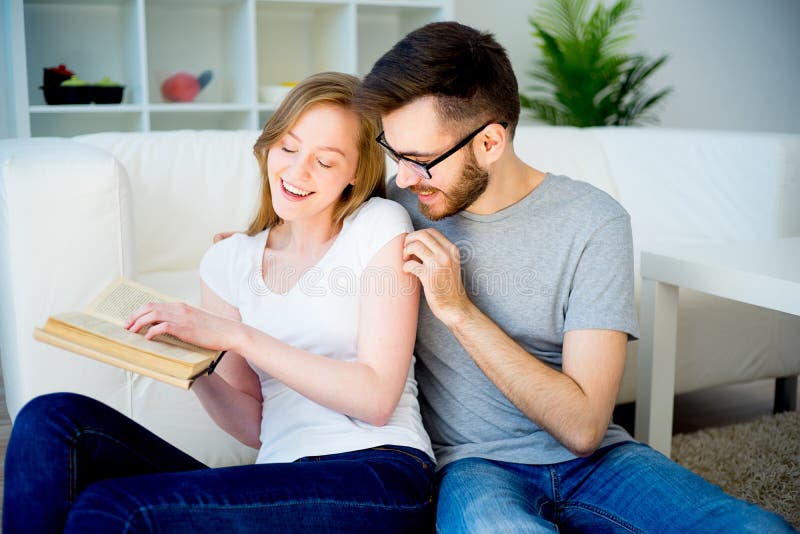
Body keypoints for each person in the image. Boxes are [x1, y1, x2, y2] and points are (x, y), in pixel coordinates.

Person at [350, 21, 796, 533]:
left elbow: (584, 427)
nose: (403, 177)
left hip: (599, 463)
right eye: (395, 152)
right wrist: (246, 248)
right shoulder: (397, 206)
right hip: (475, 468)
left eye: (422, 160)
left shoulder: (594, 222)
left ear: (491, 141)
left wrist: (459, 312)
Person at [3, 72, 435, 533]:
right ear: (268, 146)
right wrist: (193, 362)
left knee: (115, 509)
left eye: (325, 162)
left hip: (379, 474)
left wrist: (234, 335)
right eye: (288, 148)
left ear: (355, 173)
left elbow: (374, 399)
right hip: (277, 471)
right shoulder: (229, 260)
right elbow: (255, 425)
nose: (297, 172)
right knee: (49, 421)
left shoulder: (377, 225)